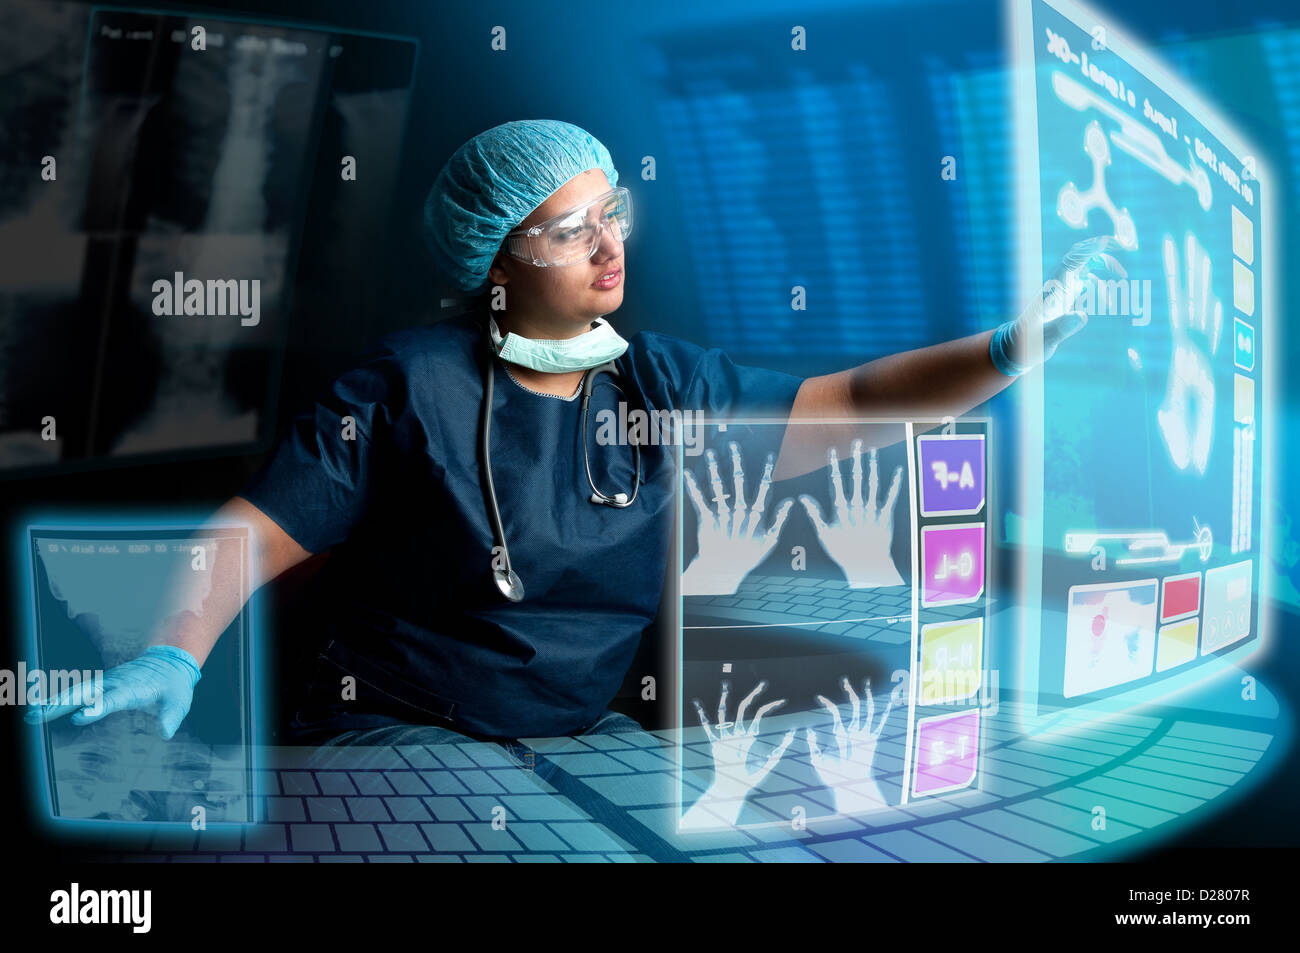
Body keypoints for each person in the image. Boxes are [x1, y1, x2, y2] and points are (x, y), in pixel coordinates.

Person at [27, 119, 1122, 767]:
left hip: (574, 737)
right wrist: (173, 652)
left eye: (612, 214)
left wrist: (1012, 346)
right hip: (405, 735)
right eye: (566, 228)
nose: (606, 247)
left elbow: (853, 403)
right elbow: (248, 535)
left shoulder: (663, 380)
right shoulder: (408, 384)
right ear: (493, 262)